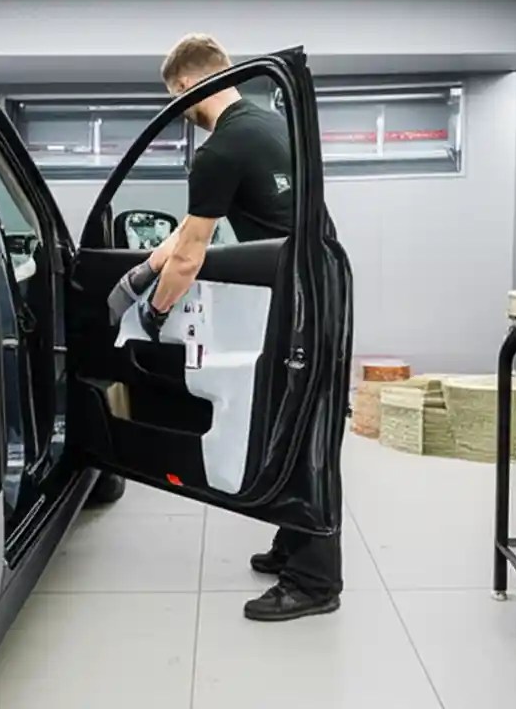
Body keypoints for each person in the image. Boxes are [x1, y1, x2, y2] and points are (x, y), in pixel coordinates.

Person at [145, 33, 343, 622]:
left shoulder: (219, 150)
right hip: (325, 285)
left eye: (175, 99)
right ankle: (292, 542)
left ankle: (315, 581)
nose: (179, 109)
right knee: (294, 417)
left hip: (299, 298)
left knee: (302, 430)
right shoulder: (274, 123)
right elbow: (188, 232)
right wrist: (143, 268)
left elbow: (190, 256)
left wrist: (154, 311)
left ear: (186, 86)